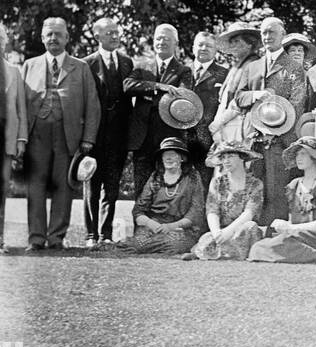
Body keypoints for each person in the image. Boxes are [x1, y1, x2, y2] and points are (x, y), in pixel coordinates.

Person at [20, 17, 100, 250]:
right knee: (35, 186)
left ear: (67, 37)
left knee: (63, 187)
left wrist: (88, 138)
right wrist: (21, 139)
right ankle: (36, 239)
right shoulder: (29, 65)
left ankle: (56, 238)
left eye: (58, 34)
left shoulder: (81, 67)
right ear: (42, 38)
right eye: (49, 34)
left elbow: (92, 106)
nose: (54, 38)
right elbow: (20, 105)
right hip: (37, 135)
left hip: (69, 135)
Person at [124, 23, 195, 201]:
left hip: (168, 137)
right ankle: (140, 228)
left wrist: (148, 93)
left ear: (175, 43)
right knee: (141, 188)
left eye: (166, 39)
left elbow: (182, 98)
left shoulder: (184, 71)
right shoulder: (141, 66)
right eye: (158, 38)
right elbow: (128, 85)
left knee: (167, 188)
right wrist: (157, 87)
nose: (161, 42)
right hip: (142, 138)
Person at [247, 136, 316, 265]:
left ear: (314, 157)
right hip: (295, 236)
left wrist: (292, 228)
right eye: (297, 154)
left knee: (283, 242)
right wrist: (285, 225)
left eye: (303, 153)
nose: (299, 158)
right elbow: (292, 220)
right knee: (257, 248)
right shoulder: (294, 185)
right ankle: (315, 254)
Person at [79, 17, 132, 248]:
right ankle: (91, 235)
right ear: (97, 36)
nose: (114, 36)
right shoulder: (86, 64)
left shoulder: (127, 62)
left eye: (116, 31)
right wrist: (85, 137)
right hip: (95, 136)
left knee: (112, 187)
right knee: (92, 186)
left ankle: (106, 233)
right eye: (109, 32)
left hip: (119, 136)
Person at [115, 136, 206, 255]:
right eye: (165, 155)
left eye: (173, 154)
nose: (168, 158)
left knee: (176, 245)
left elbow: (196, 211)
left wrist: (171, 226)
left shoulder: (193, 178)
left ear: (182, 158)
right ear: (161, 159)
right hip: (154, 227)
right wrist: (151, 224)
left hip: (180, 228)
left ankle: (150, 245)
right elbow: (138, 211)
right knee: (138, 244)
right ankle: (146, 244)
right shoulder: (155, 177)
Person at [256, 17, 308, 223]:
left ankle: (274, 238)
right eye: (264, 33)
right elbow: (241, 97)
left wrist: (274, 129)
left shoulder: (294, 68)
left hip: (280, 139)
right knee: (256, 188)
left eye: (272, 32)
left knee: (277, 190)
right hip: (254, 138)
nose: (268, 37)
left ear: (282, 36)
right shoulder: (254, 65)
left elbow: (296, 104)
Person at [185, 143, 265, 261]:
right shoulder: (217, 183)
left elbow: (249, 213)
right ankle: (217, 249)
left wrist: (229, 231)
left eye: (230, 156)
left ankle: (217, 252)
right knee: (208, 237)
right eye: (223, 158)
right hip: (222, 230)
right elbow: (212, 210)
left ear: (242, 157)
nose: (226, 161)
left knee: (249, 228)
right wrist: (217, 232)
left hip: (241, 229)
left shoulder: (255, 184)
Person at [0, 22, 29, 254]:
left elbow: (21, 109)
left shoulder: (14, 71)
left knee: (0, 190)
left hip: (6, 143)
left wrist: (22, 139)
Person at [209, 23, 267, 147]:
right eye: (232, 42)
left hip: (241, 124)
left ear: (249, 44)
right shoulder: (236, 66)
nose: (233, 45)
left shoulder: (254, 64)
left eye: (236, 41)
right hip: (227, 124)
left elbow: (248, 98)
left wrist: (219, 121)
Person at [187, 29, 228, 192]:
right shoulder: (182, 71)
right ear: (193, 47)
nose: (203, 48)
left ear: (216, 50)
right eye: (200, 45)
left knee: (204, 183)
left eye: (209, 46)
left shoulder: (224, 74)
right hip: (181, 136)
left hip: (207, 138)